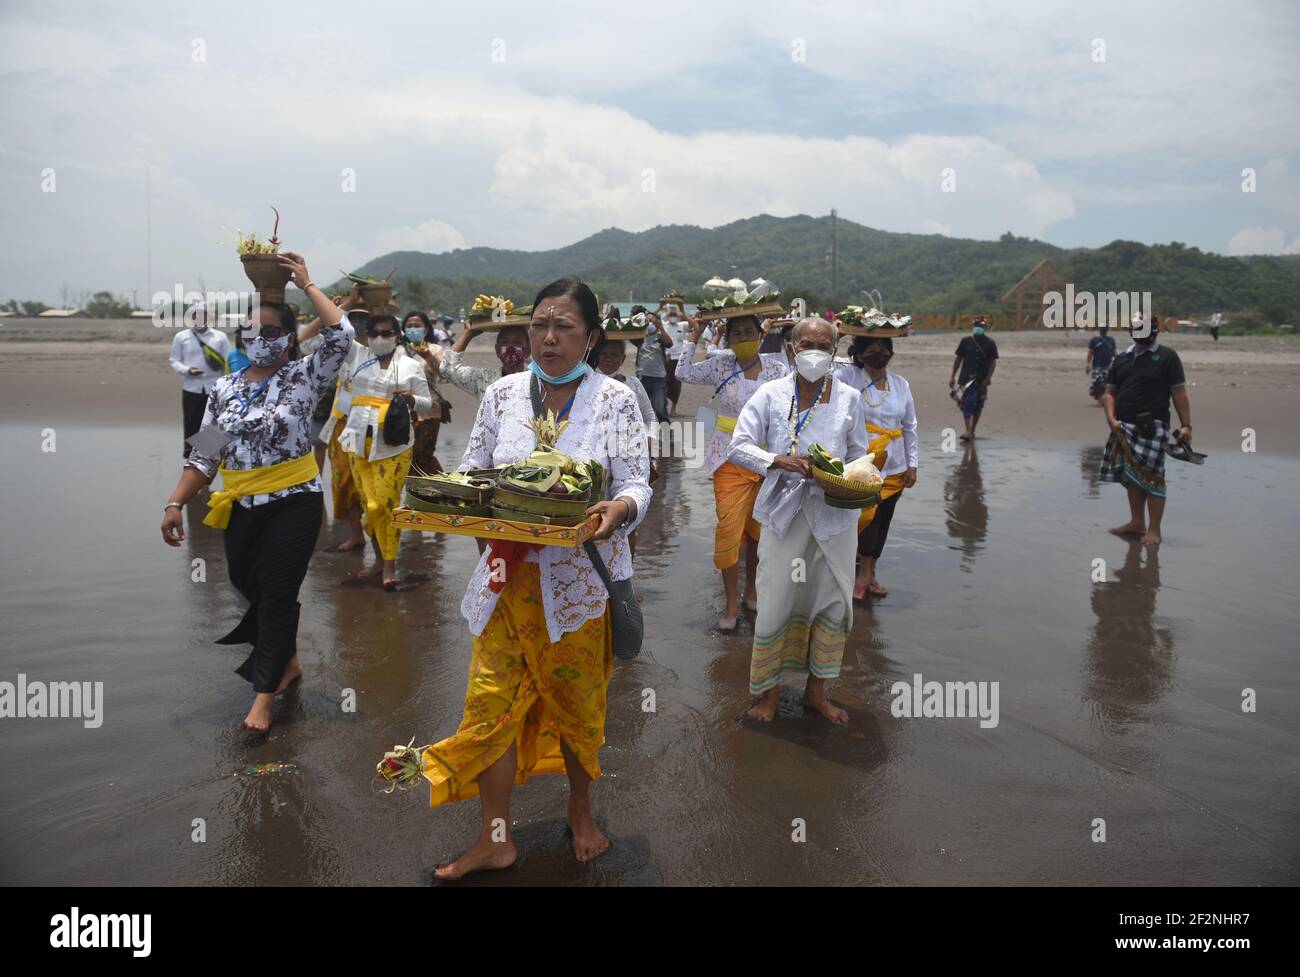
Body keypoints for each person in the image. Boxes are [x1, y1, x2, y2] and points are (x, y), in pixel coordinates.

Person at [422, 276, 651, 880]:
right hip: (505, 581)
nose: (548, 339)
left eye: (564, 328)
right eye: (539, 326)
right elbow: (474, 473)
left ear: (592, 337)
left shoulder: (616, 400)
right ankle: (495, 838)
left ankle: (580, 813)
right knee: (489, 707)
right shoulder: (501, 395)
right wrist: (463, 512)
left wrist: (618, 511)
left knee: (577, 705)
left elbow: (635, 482)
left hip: (580, 586)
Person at [160, 252, 353, 733]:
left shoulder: (304, 377)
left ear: (289, 338)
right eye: (252, 332)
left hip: (296, 501)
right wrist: (175, 502)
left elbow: (342, 336)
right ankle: (286, 661)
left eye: (271, 332)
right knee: (248, 587)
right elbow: (204, 454)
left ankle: (262, 698)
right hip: (241, 507)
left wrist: (306, 284)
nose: (259, 340)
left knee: (279, 594)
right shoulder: (223, 390)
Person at [728, 317, 868, 724]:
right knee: (775, 603)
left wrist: (840, 475)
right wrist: (779, 461)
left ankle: (816, 695)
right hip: (783, 514)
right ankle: (768, 697)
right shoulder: (770, 394)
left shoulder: (848, 399)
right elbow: (739, 446)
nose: (815, 353)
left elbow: (860, 456)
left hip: (833, 519)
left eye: (824, 346)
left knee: (830, 603)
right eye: (807, 344)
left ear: (835, 352)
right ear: (791, 348)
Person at [676, 310, 788, 630]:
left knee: (757, 533)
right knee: (728, 529)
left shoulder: (778, 370)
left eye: (748, 332)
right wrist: (693, 337)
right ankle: (729, 604)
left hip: (767, 461)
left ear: (760, 334)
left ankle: (751, 588)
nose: (742, 339)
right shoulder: (720, 364)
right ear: (728, 339)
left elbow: (788, 411)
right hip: (728, 459)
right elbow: (683, 373)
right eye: (736, 334)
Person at [318, 313, 431, 588]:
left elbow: (428, 404)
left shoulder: (410, 366)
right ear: (367, 336)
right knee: (369, 505)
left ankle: (390, 567)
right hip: (357, 442)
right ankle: (379, 560)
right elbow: (335, 324)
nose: (381, 338)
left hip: (394, 446)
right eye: (375, 333)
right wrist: (310, 286)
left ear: (397, 335)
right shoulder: (357, 355)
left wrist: (410, 399)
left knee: (384, 505)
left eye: (387, 333)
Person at [834, 334, 918, 600]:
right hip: (861, 464)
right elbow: (825, 375)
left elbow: (910, 427)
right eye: (869, 348)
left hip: (894, 463)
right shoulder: (849, 378)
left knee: (882, 521)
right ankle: (857, 575)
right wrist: (836, 335)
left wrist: (912, 464)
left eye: (883, 348)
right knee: (863, 520)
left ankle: (868, 576)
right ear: (858, 353)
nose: (877, 353)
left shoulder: (900, 384)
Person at [1100, 316, 1193, 547]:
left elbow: (1179, 393)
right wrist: (1111, 418)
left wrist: (1186, 425)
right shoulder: (1122, 358)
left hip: (1154, 427)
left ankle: (1154, 529)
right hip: (1123, 426)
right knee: (1132, 476)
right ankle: (1137, 522)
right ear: (1131, 331)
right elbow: (1109, 392)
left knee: (1153, 477)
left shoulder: (1167, 357)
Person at [169, 300, 231, 458]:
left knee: (213, 424)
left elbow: (229, 362)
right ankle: (190, 457)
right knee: (191, 423)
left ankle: (209, 457)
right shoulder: (181, 337)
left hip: (215, 389)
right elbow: (174, 360)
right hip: (191, 388)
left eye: (203, 315)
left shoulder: (220, 337)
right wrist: (187, 370)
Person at [421, 319, 530, 400]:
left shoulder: (536, 380)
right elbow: (447, 369)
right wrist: (468, 334)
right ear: (497, 350)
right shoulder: (484, 379)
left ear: (527, 351)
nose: (510, 347)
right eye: (505, 343)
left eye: (517, 343)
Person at [402, 310, 450, 474]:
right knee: (405, 454)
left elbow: (445, 373)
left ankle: (439, 486)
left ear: (426, 329)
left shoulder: (435, 349)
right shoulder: (398, 350)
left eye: (417, 325)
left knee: (423, 453)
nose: (413, 329)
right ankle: (418, 492)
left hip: (429, 409)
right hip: (403, 408)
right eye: (409, 326)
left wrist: (428, 356)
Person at [950, 315, 998, 440]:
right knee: (966, 404)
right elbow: (958, 359)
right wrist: (952, 376)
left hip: (982, 380)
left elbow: (993, 362)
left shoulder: (990, 343)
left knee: (978, 406)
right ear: (973, 326)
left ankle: (972, 430)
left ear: (985, 327)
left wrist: (988, 378)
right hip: (966, 379)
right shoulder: (965, 341)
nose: (978, 328)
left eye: (980, 326)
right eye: (976, 326)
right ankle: (967, 430)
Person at [632, 306, 672, 422]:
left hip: (658, 377)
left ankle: (666, 435)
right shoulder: (640, 337)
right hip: (642, 376)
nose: (650, 324)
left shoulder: (660, 337)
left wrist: (660, 326)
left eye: (651, 322)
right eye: (647, 321)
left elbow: (669, 343)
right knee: (640, 410)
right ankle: (641, 437)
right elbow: (628, 334)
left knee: (660, 409)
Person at [661, 305, 685, 412]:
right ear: (667, 315)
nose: (673, 316)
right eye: (671, 314)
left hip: (678, 358)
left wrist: (681, 309)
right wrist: (661, 306)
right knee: (664, 382)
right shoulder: (664, 325)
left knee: (676, 384)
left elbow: (694, 324)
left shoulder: (682, 325)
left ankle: (674, 407)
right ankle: (664, 405)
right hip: (666, 358)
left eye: (675, 315)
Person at [1086, 324, 1117, 404]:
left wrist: (1117, 363)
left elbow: (1114, 353)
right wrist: (1088, 364)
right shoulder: (1094, 340)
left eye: (1105, 328)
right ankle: (1099, 399)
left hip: (1108, 366)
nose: (1103, 329)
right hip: (1097, 366)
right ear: (1099, 329)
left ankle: (1103, 399)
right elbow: (1090, 353)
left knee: (1107, 383)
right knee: (1097, 382)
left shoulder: (1111, 340)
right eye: (1102, 328)